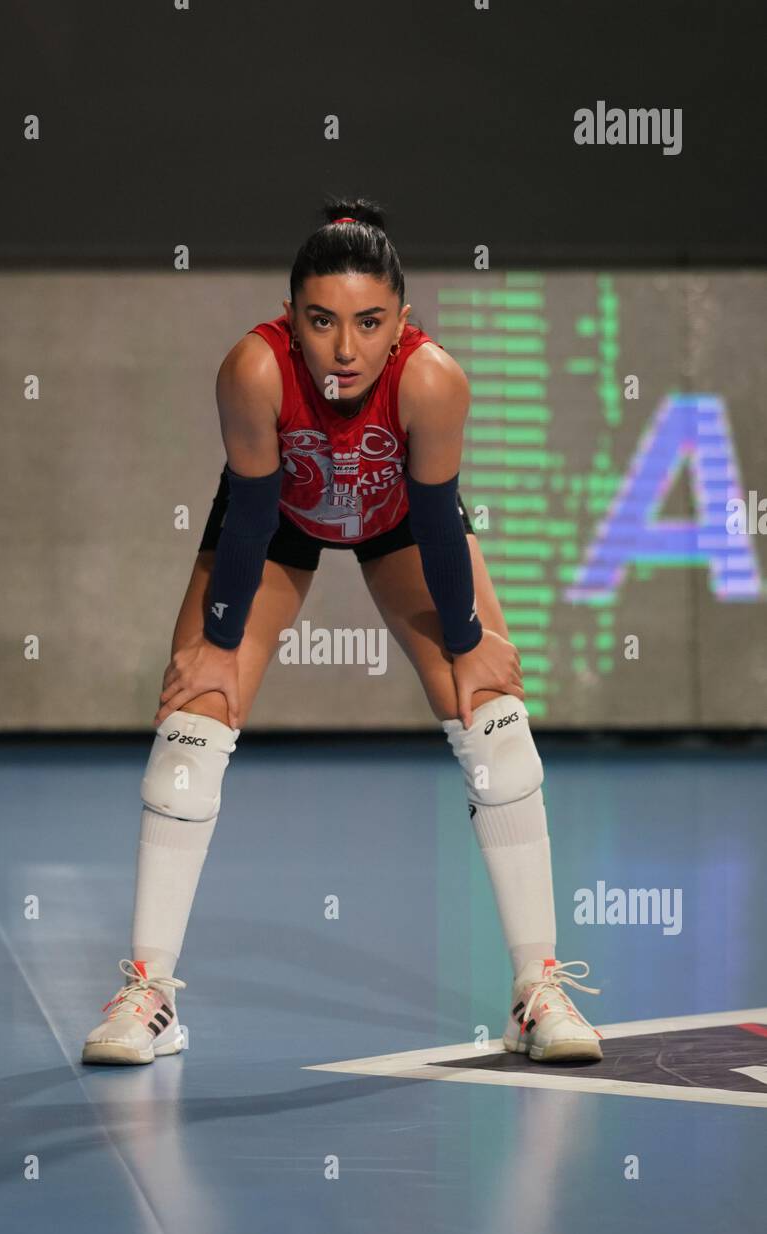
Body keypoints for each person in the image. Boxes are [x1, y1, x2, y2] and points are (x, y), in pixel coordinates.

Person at [82, 196, 603, 1067]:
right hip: (275, 524)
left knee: (495, 728)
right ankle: (147, 993)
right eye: (321, 322)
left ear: (403, 320)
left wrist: (468, 638)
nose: (345, 348)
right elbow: (249, 512)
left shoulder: (431, 377)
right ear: (290, 317)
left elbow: (437, 520)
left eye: (368, 323)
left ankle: (536, 991)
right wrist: (217, 640)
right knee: (188, 734)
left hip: (399, 522)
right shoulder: (253, 369)